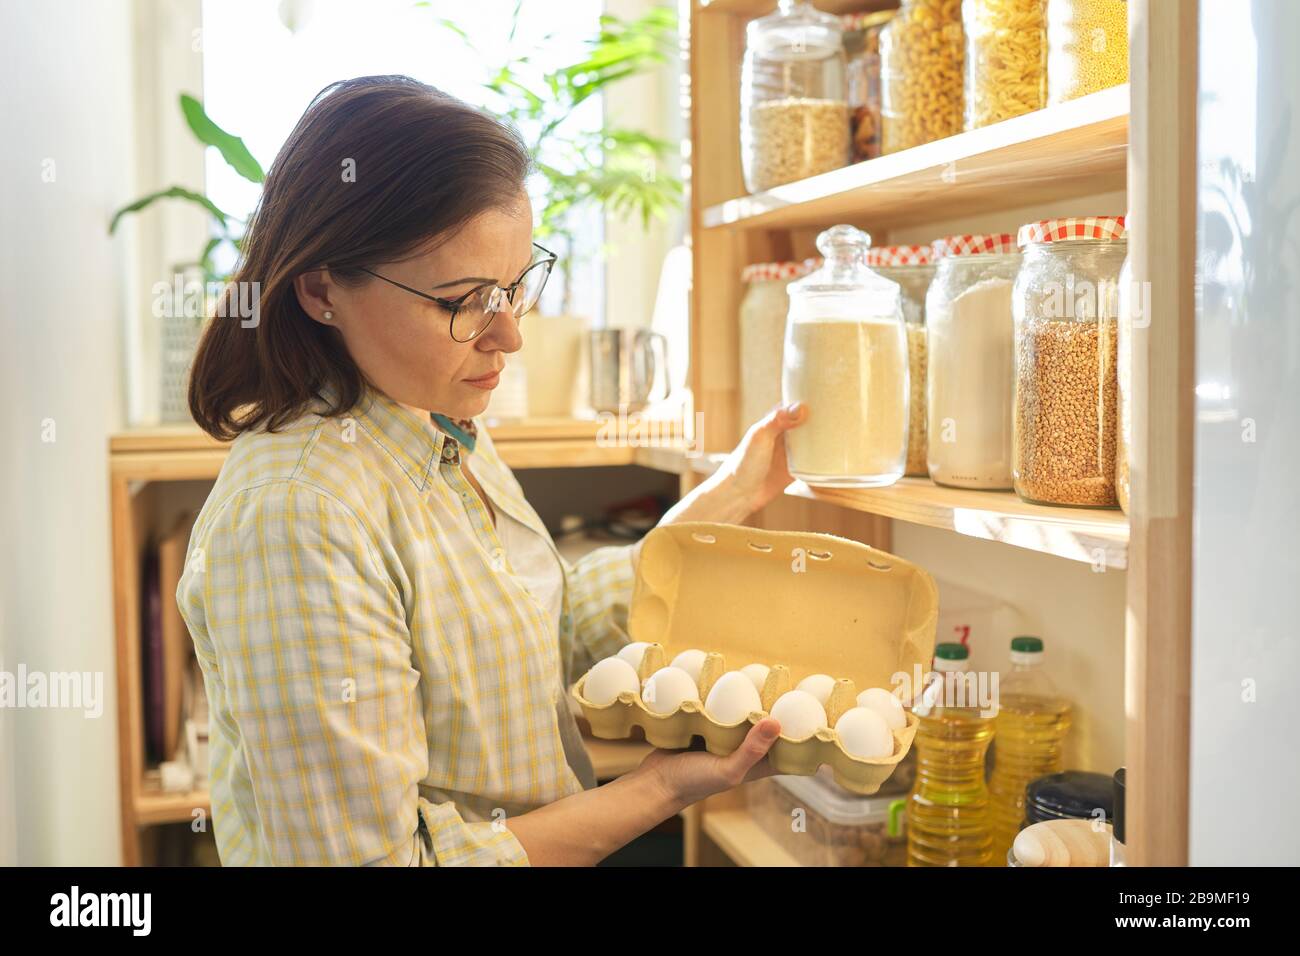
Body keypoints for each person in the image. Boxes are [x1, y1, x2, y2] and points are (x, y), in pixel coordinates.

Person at [177, 75, 806, 866]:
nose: (508, 335)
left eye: (513, 286)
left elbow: (541, 631)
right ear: (320, 289)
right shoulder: (297, 515)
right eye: (465, 300)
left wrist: (731, 498)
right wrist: (654, 791)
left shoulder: (435, 418)